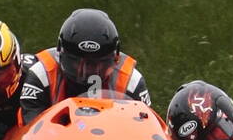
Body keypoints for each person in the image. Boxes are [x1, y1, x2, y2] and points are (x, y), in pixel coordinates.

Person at [18, 8, 151, 118]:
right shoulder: (42, 74)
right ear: (61, 54)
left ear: (115, 59)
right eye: (77, 63)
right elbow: (31, 128)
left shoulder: (131, 82)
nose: (86, 72)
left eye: (96, 64)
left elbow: (145, 130)